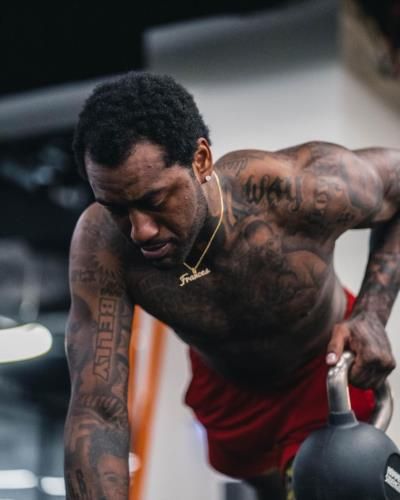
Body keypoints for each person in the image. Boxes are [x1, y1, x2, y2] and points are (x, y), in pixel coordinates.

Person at [63, 70, 399, 500]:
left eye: (154, 200)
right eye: (116, 208)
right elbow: (97, 410)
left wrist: (371, 315)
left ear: (201, 160)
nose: (140, 230)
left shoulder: (293, 190)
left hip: (319, 367)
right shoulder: (103, 244)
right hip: (228, 391)